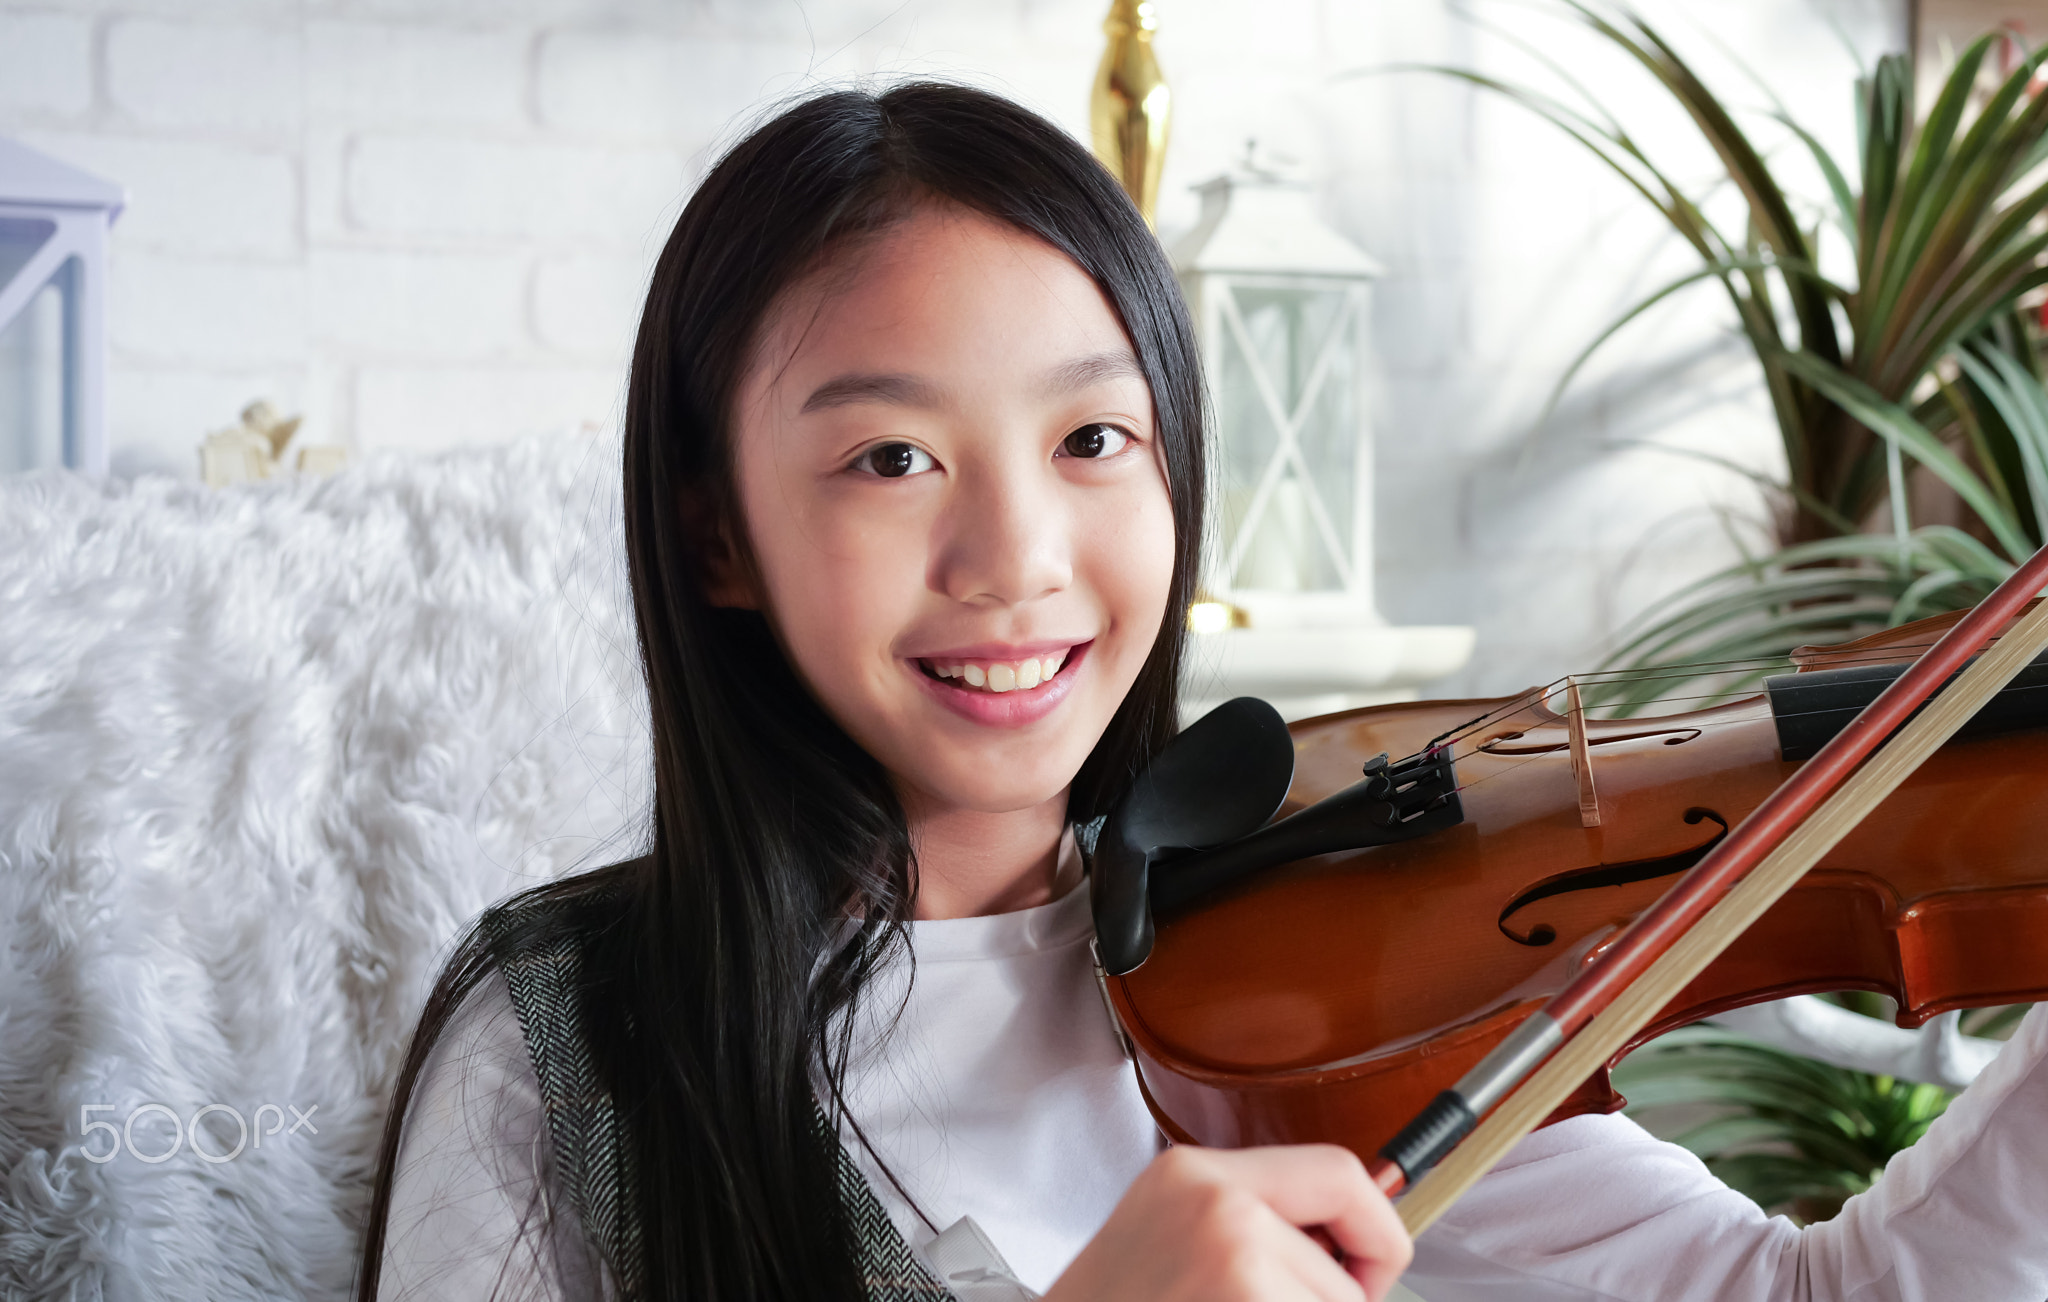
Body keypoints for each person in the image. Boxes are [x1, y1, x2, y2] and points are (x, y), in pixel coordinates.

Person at [354, 83, 2048, 1302]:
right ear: (717, 535)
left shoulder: (1321, 973)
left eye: (1094, 438)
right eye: (891, 456)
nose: (1015, 556)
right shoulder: (565, 1040)